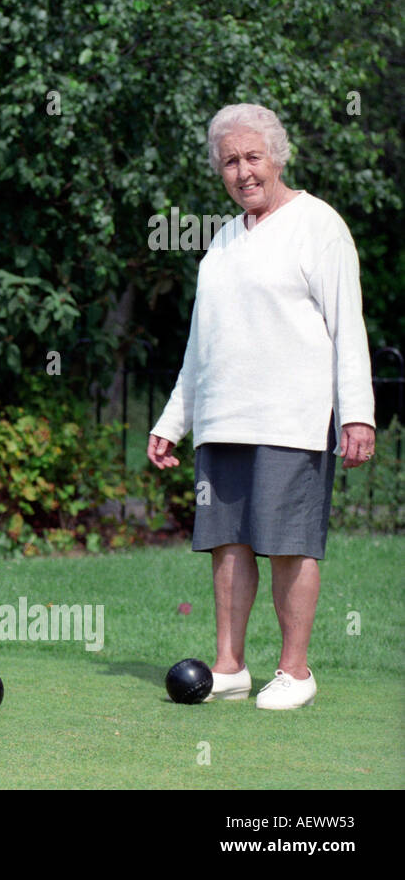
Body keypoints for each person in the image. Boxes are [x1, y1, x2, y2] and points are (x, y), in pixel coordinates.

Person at [148, 103, 375, 710]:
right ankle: (230, 666)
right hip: (224, 419)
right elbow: (201, 346)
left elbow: (346, 326)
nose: (243, 171)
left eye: (253, 156)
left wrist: (357, 413)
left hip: (291, 418)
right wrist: (173, 420)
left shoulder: (318, 225)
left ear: (278, 156)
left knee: (290, 543)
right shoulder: (221, 243)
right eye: (230, 161)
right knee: (228, 543)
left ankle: (295, 671)